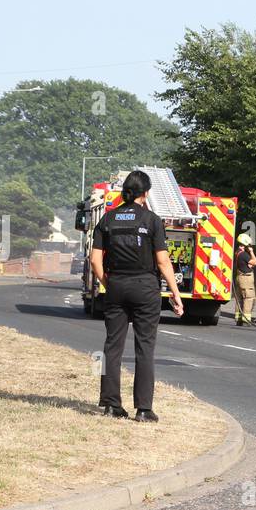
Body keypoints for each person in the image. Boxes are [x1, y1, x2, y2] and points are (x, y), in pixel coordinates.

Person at [89, 169, 184, 422]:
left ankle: (110, 405)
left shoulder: (107, 219)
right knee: (144, 348)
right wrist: (175, 294)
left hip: (116, 285)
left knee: (112, 346)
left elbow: (95, 259)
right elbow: (163, 262)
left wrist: (108, 282)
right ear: (146, 193)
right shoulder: (152, 220)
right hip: (145, 287)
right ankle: (143, 409)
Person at [234, 232, 256, 326]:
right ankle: (246, 319)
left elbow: (247, 263)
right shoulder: (244, 254)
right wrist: (251, 252)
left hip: (239, 277)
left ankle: (238, 318)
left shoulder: (237, 252)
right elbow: (255, 262)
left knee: (239, 298)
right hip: (245, 279)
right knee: (248, 298)